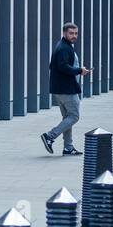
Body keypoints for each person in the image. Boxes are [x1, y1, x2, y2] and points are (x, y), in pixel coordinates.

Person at [41, 22, 90, 156]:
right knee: (74, 116)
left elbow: (54, 66)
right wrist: (79, 70)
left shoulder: (64, 46)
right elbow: (63, 67)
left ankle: (68, 148)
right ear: (64, 33)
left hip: (60, 89)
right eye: (71, 33)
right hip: (66, 90)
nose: (74, 36)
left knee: (67, 118)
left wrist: (78, 70)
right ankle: (50, 136)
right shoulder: (63, 48)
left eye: (76, 33)